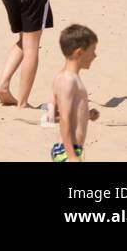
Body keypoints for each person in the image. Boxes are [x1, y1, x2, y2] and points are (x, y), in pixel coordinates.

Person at [50, 25, 99, 162]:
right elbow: (64, 119)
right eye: (92, 51)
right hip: (68, 150)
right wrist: (71, 156)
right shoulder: (69, 80)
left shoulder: (61, 78)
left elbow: (50, 117)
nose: (95, 55)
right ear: (79, 52)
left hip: (67, 148)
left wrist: (85, 115)